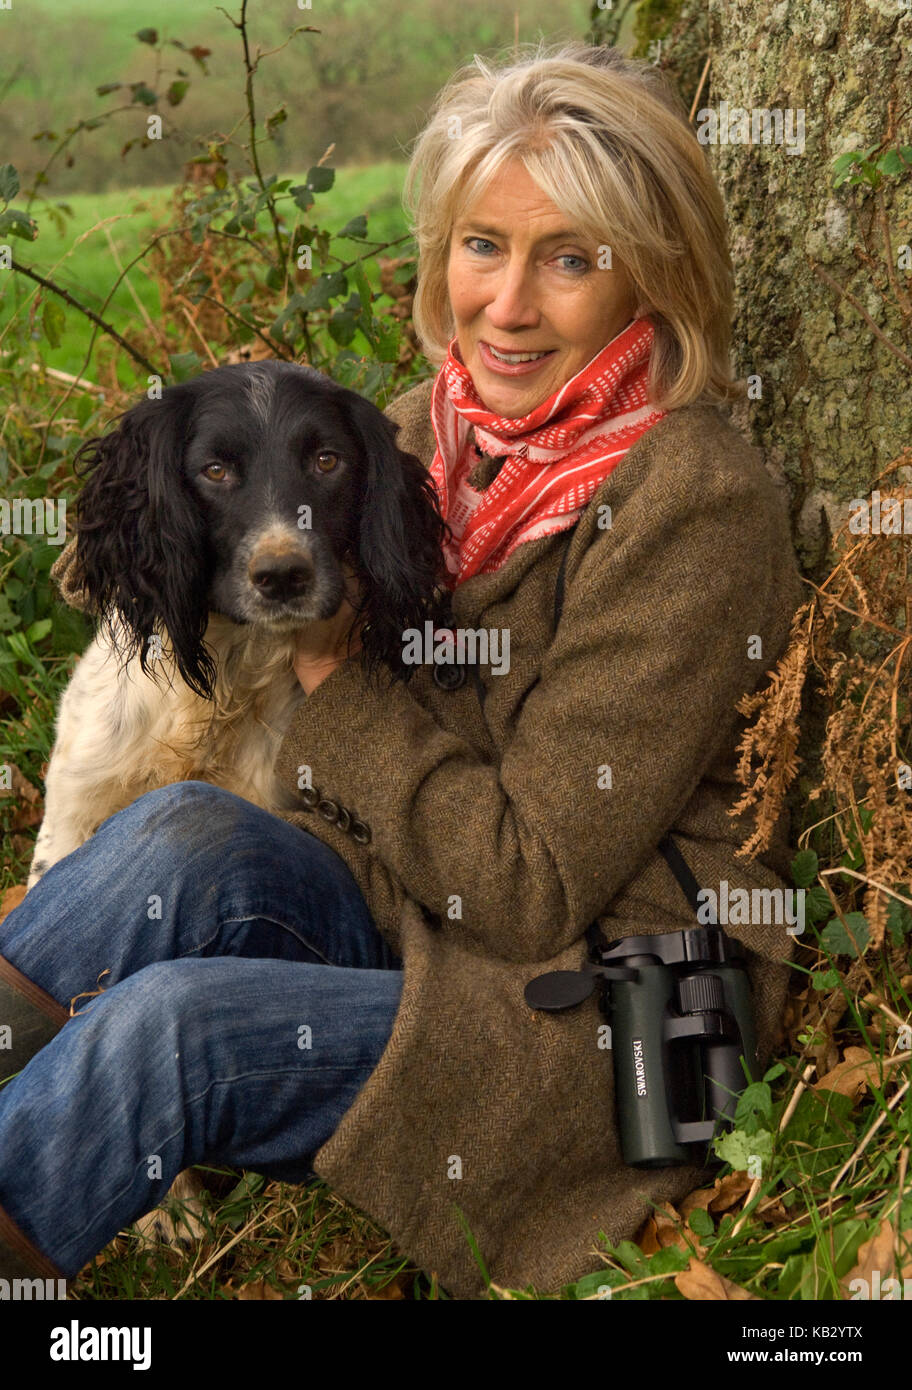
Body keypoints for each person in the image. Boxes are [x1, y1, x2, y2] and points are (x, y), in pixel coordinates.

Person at [0, 41, 803, 1300]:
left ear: (655, 277)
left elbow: (533, 885)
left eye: (572, 258)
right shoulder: (437, 436)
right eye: (485, 244)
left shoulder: (694, 502)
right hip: (418, 926)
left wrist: (334, 673)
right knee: (179, 836)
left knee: (175, 1031)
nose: (511, 303)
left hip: (592, 1014)